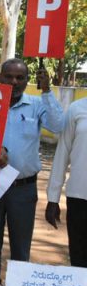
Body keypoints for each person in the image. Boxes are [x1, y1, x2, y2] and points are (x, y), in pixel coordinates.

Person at [0, 58, 64, 281]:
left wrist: (46, 91)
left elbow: (57, 126)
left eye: (20, 78)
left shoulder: (36, 104)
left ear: (27, 80)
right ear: (0, 77)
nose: (14, 81)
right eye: (9, 76)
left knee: (20, 245)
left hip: (23, 189)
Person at [46, 97, 87, 267]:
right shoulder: (77, 109)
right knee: (79, 257)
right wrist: (53, 198)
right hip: (80, 196)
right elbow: (62, 153)